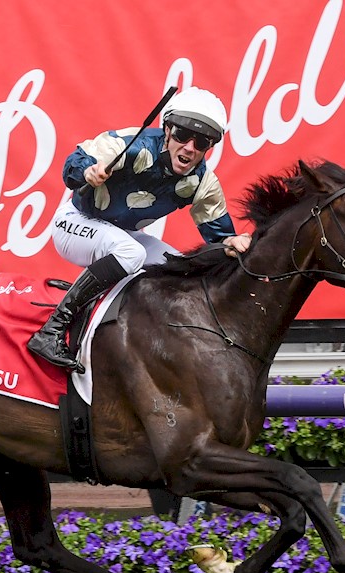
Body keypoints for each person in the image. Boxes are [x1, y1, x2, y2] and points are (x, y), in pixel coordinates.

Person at [27, 86, 253, 373]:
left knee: (177, 265)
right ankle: (52, 330)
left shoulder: (203, 182)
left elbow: (220, 238)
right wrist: (87, 172)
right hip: (74, 223)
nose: (190, 148)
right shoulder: (129, 146)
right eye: (183, 135)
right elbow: (72, 165)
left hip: (122, 234)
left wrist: (235, 241)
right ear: (167, 130)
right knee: (130, 252)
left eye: (203, 141)